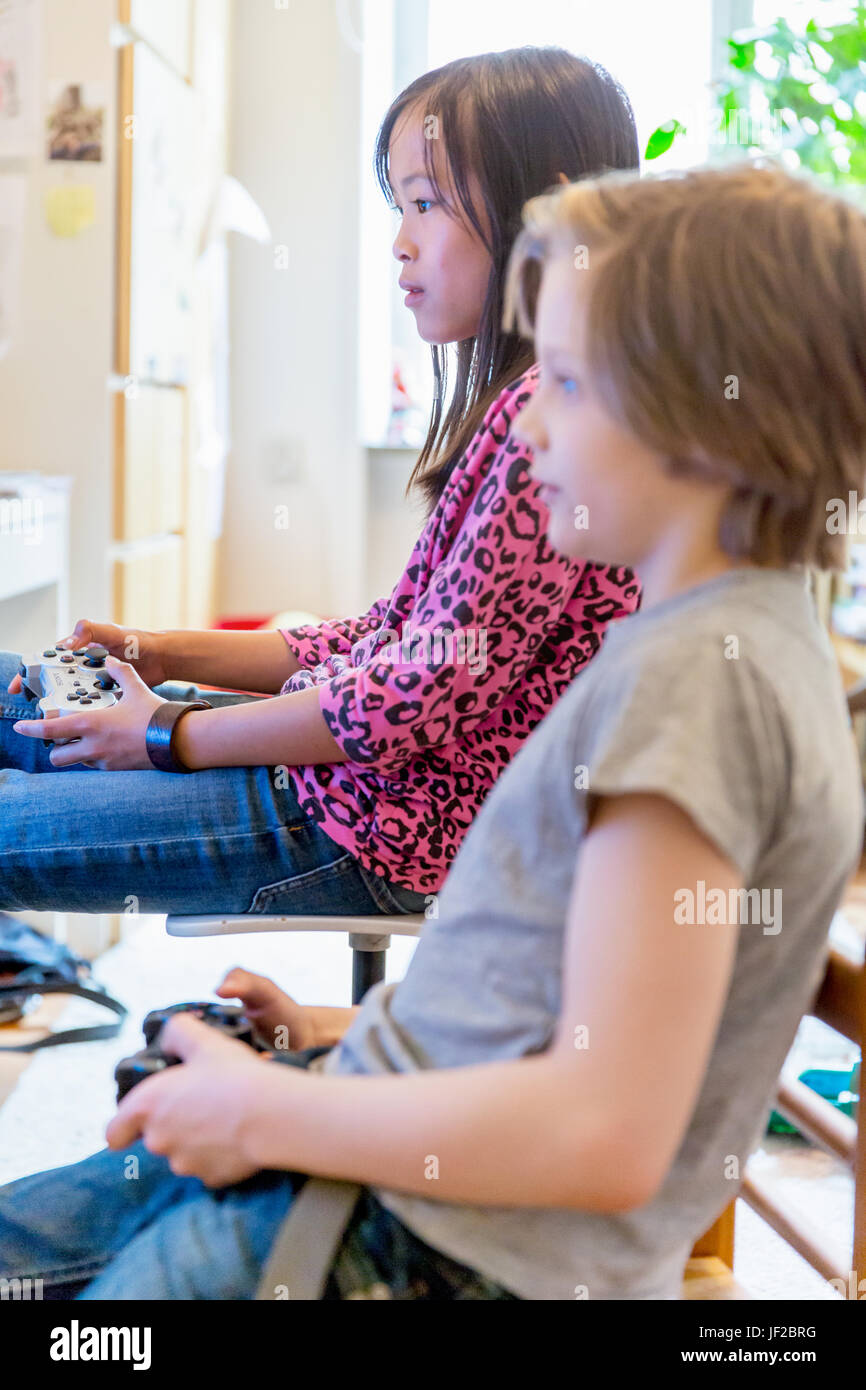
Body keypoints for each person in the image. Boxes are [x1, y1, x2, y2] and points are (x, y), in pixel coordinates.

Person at [2, 158, 864, 1301]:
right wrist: (335, 1035)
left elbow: (606, 1131)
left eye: (562, 377)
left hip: (406, 1247)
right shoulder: (723, 647)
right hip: (380, 1165)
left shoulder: (698, 688)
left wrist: (274, 1107)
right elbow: (566, 995)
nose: (527, 422)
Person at [0, 47, 639, 919]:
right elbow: (392, 637)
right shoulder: (541, 397)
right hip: (355, 787)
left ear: (553, 211)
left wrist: (165, 733)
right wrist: (156, 653)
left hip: (381, 827)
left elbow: (407, 701)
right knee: (19, 687)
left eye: (425, 203)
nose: (401, 242)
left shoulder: (557, 414)